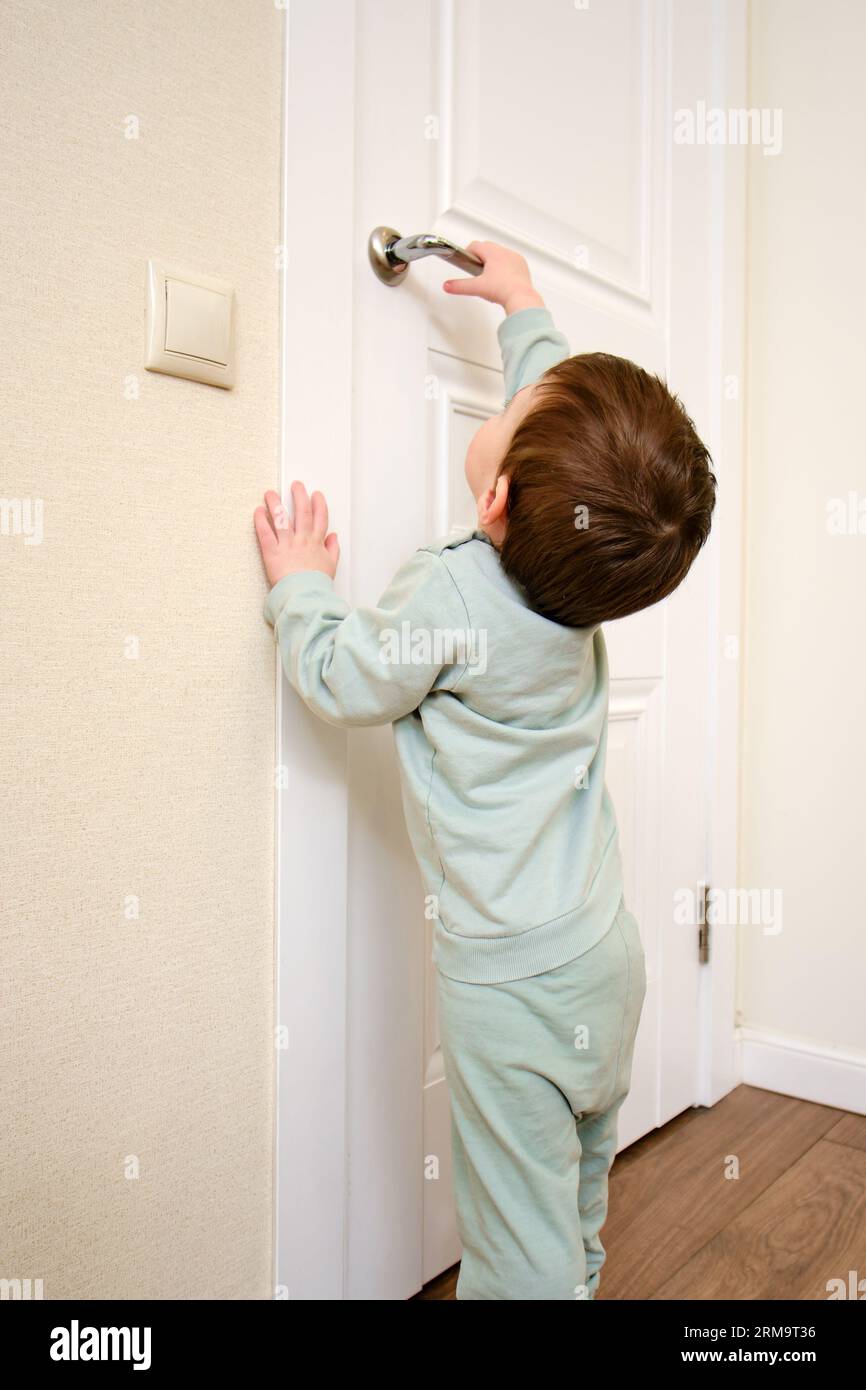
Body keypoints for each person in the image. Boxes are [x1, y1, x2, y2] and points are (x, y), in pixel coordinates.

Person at [253, 241, 716, 1300]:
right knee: (576, 1184)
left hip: (509, 986)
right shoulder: (589, 576)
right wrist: (524, 311)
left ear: (499, 497)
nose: (505, 402)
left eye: (509, 410)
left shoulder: (452, 600)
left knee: (515, 1237)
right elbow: (565, 439)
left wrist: (301, 588)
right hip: (603, 951)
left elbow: (342, 677)